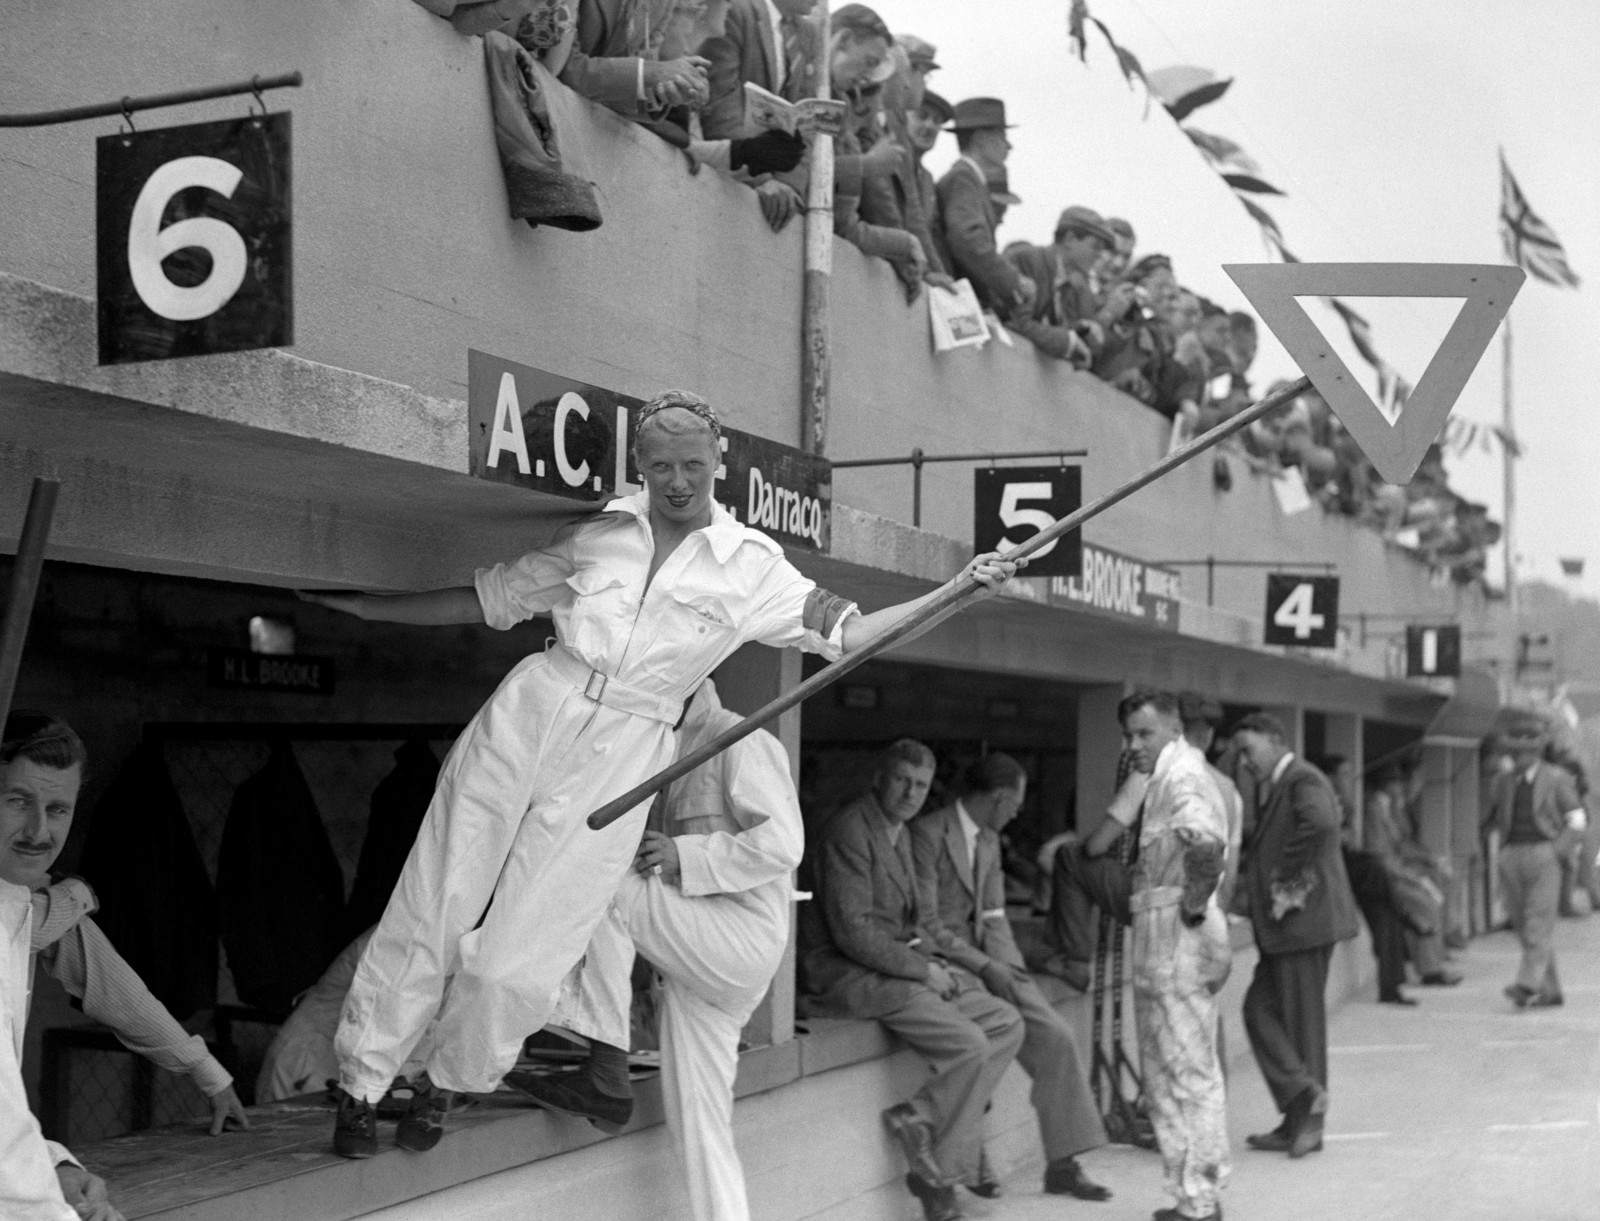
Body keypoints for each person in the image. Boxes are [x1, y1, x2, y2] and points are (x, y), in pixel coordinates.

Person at [304, 389, 1022, 1158]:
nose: (677, 480)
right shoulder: (600, 533)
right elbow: (493, 597)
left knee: (530, 946)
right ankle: (362, 1080)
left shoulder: (752, 567)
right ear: (639, 466)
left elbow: (850, 635)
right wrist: (364, 608)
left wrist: (958, 590)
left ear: (720, 463)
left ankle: (446, 1077)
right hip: (534, 706)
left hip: (626, 749)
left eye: (691, 464)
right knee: (438, 891)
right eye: (659, 465)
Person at [525, 678, 802, 1221]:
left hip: (741, 937)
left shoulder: (738, 739)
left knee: (600, 885)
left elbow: (783, 843)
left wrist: (684, 854)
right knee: (701, 1131)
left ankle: (606, 1066)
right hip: (703, 963)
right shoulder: (660, 749)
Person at [1, 713, 251, 1221]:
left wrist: (58, 1168)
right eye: (17, 801)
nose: (38, 831)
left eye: (57, 809)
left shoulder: (28, 905)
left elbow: (111, 982)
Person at [800, 740, 1024, 1221]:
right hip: (846, 972)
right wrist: (925, 970)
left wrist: (943, 965)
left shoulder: (898, 831)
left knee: (1005, 1021)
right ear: (880, 778)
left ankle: (921, 1120)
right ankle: (939, 1175)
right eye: (902, 780)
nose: (911, 793)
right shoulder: (851, 831)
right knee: (968, 1044)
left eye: (921, 784)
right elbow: (854, 932)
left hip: (896, 966)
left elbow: (916, 922)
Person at [910, 753, 1111, 1203]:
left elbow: (996, 917)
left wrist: (1011, 972)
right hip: (949, 965)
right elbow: (926, 924)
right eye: (1016, 802)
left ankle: (1063, 1164)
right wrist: (984, 968)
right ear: (999, 798)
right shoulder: (926, 834)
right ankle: (960, 1164)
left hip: (991, 964)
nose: (1019, 811)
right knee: (991, 1040)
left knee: (1057, 1036)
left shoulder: (988, 840)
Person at [1117, 691, 1231, 1221]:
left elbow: (1206, 845)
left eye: (1144, 733)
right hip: (1159, 937)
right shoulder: (1161, 778)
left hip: (1176, 936)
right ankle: (1188, 1197)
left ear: (1173, 729)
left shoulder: (1182, 774)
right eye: (1128, 735)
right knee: (1163, 1075)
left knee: (1188, 1073)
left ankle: (1202, 1199)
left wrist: (1190, 909)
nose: (1133, 744)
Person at [1231, 713, 1359, 1160]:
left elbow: (1321, 823)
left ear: (1275, 739)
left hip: (1303, 924)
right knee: (1258, 1010)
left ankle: (1309, 1124)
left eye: (1248, 750)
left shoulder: (1301, 777)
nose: (1245, 762)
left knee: (1302, 1025)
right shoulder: (1287, 782)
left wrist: (1284, 873)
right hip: (1291, 928)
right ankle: (1299, 1103)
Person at [1486, 716, 1585, 1008]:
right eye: (1514, 752)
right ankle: (1551, 990)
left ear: (1537, 752)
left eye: (1525, 752)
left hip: (1545, 854)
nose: (1518, 757)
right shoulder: (1502, 782)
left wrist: (1557, 851)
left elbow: (1578, 819)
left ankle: (1527, 985)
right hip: (1510, 856)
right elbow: (1492, 816)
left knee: (1537, 925)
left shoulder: (1556, 778)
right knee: (1522, 924)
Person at [934, 97, 1033, 317]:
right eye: (1002, 136)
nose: (1008, 146)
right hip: (956, 302)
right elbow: (967, 238)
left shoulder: (970, 181)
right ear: (980, 139)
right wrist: (1013, 281)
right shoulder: (963, 178)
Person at [1005, 206, 1123, 368]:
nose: (1099, 255)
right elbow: (1014, 323)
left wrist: (1078, 329)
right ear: (1070, 239)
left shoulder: (1067, 285)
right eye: (1095, 247)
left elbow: (1045, 327)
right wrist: (1069, 341)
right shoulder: (1026, 260)